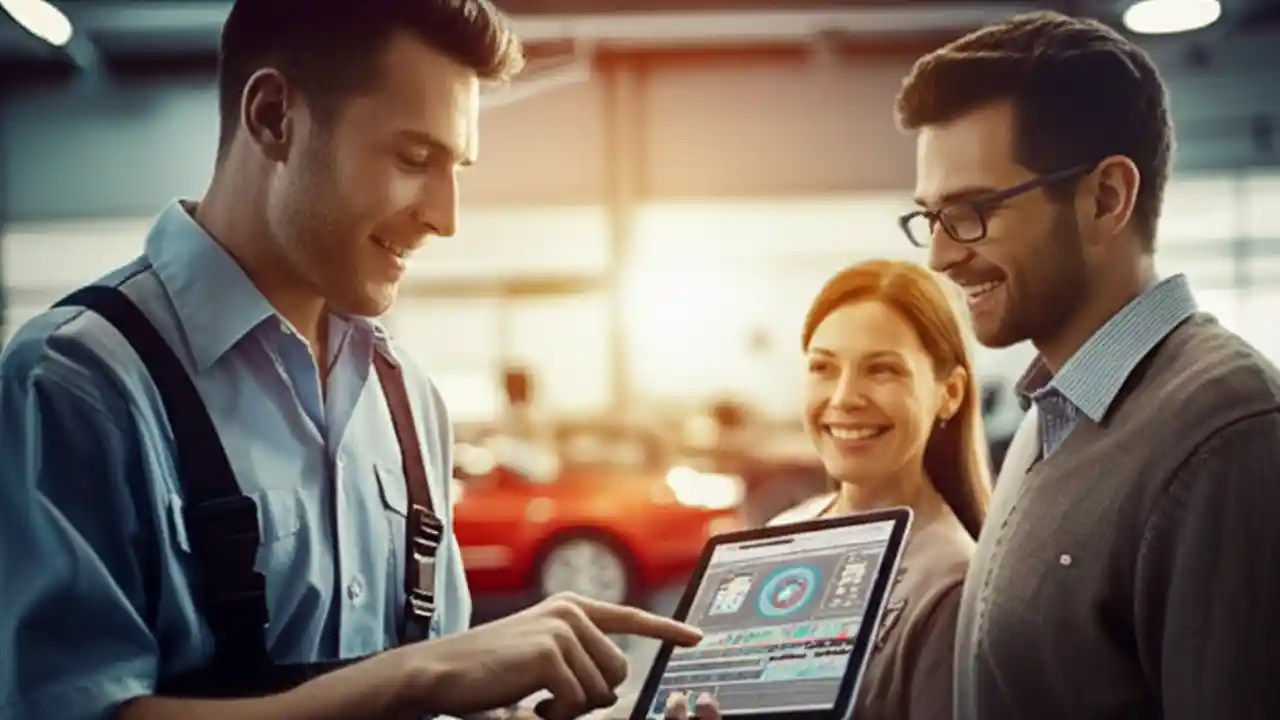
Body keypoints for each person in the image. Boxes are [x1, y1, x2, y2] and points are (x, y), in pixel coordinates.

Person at [0, 2, 699, 720]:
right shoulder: (76, 381)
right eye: (413, 159)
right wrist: (415, 675)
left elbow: (448, 696)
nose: (446, 217)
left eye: (455, 168)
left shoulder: (409, 400)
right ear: (274, 117)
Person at [895, 10, 1280, 720]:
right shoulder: (1056, 411)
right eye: (931, 216)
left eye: (973, 211)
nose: (941, 255)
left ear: (1105, 198)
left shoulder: (1229, 434)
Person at [632, 259, 993, 720]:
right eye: (823, 367)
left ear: (951, 393)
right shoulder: (785, 533)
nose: (843, 397)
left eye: (881, 370)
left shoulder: (951, 585)